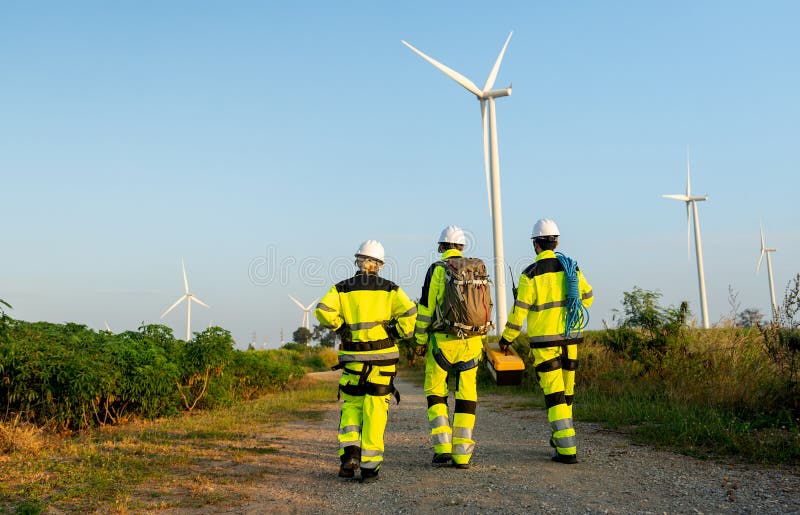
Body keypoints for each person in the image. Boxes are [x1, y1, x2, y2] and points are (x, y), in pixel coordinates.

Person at [315, 240, 417, 483]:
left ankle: (350, 454)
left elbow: (321, 310)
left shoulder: (342, 289)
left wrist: (341, 327)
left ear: (358, 260)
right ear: (380, 264)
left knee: (351, 405)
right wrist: (395, 332)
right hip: (383, 360)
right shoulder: (390, 289)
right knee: (375, 410)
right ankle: (370, 467)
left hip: (353, 359)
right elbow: (411, 313)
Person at [498, 218, 594, 464]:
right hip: (571, 340)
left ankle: (566, 449)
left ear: (535, 245)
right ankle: (560, 437)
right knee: (567, 394)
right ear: (556, 241)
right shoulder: (571, 267)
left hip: (545, 344)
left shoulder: (530, 275)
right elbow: (589, 297)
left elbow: (519, 312)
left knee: (555, 396)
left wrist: (507, 339)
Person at [414, 225, 489, 469]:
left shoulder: (437, 269)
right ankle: (462, 455)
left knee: (435, 390)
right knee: (467, 395)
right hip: (472, 342)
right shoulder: (476, 267)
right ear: (462, 246)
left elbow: (425, 309)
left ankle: (443, 447)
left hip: (443, 342)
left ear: (440, 247)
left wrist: (419, 341)